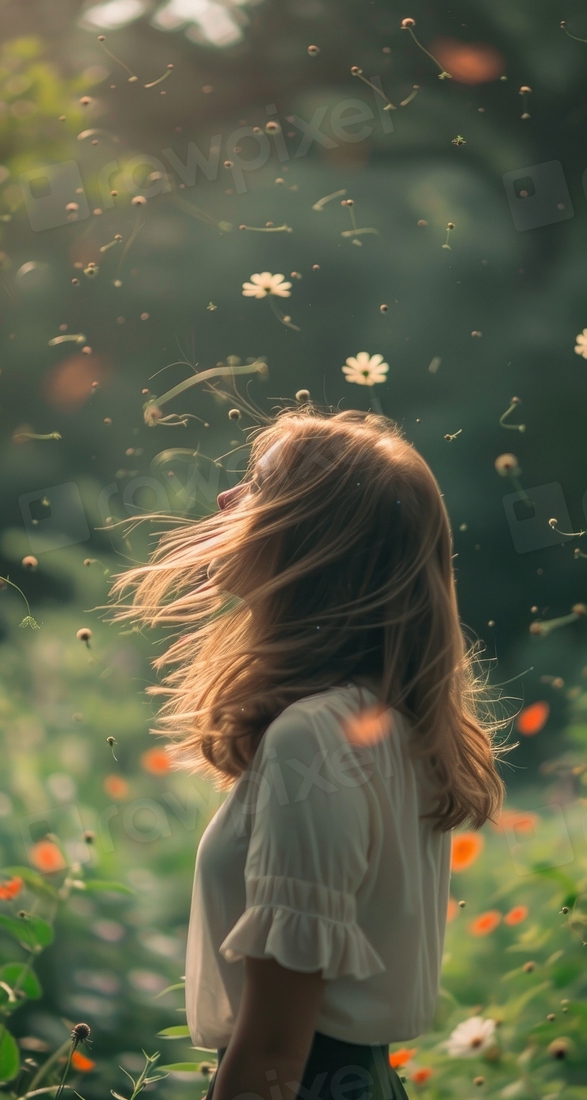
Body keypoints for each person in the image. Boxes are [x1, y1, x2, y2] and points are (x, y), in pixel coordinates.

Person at [108, 406, 516, 1100]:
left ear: (312, 536)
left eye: (258, 486)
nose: (225, 501)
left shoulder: (317, 735)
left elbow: (272, 1050)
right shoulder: (388, 725)